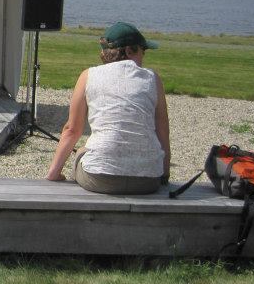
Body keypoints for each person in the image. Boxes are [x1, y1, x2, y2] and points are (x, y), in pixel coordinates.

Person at [45, 21, 171, 194]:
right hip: (148, 180)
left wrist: (53, 173)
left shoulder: (89, 76)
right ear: (129, 51)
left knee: (82, 151)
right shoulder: (152, 79)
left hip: (100, 178)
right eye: (143, 51)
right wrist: (164, 174)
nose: (143, 57)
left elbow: (72, 130)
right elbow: (162, 130)